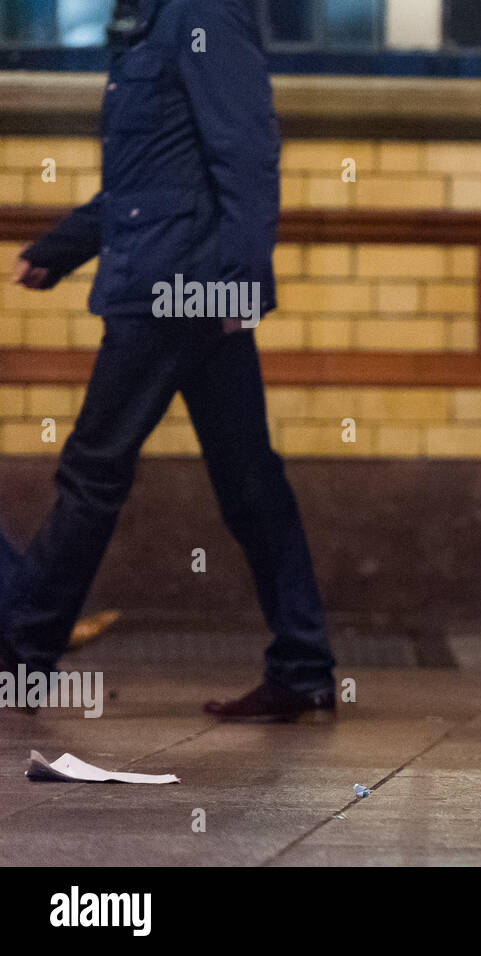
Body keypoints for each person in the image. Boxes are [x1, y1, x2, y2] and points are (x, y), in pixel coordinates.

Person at [0, 0, 335, 722]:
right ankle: (303, 664)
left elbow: (245, 148)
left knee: (93, 468)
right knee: (249, 481)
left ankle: (23, 656)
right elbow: (143, 183)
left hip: (176, 290)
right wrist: (57, 250)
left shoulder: (202, 11)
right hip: (168, 279)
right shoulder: (147, 19)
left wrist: (241, 280)